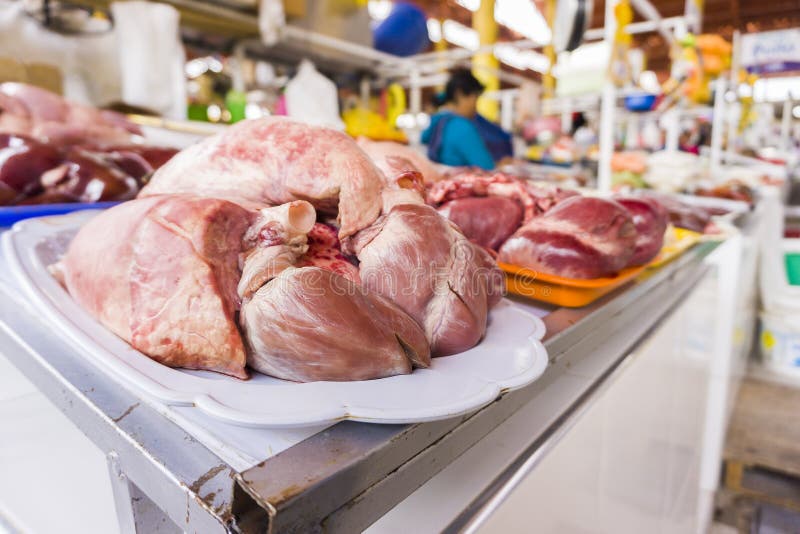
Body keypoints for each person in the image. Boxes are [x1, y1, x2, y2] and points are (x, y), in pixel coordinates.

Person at [421, 69, 495, 170]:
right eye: (475, 99)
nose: (475, 107)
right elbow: (487, 168)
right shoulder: (462, 126)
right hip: (460, 179)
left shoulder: (438, 121)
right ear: (459, 94)